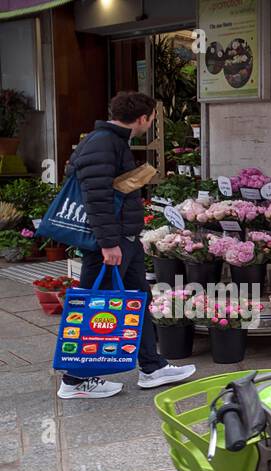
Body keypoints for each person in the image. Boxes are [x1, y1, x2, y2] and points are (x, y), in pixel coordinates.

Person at [58, 92, 194, 400]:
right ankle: (75, 378)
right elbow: (97, 198)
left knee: (136, 299)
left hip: (124, 239)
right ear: (143, 118)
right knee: (95, 305)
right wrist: (108, 244)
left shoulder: (109, 141)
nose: (152, 124)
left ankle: (152, 367)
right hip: (110, 243)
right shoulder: (103, 143)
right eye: (153, 119)